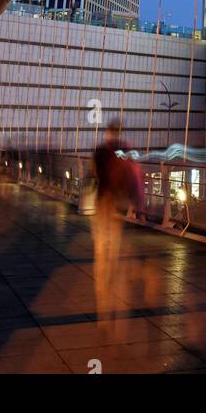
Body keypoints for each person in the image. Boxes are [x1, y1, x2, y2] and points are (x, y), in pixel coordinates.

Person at [90, 123, 132, 318]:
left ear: (108, 133)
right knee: (114, 246)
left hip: (102, 201)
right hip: (116, 203)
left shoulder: (99, 151)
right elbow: (129, 177)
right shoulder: (123, 151)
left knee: (100, 246)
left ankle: (101, 284)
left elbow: (91, 175)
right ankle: (110, 275)